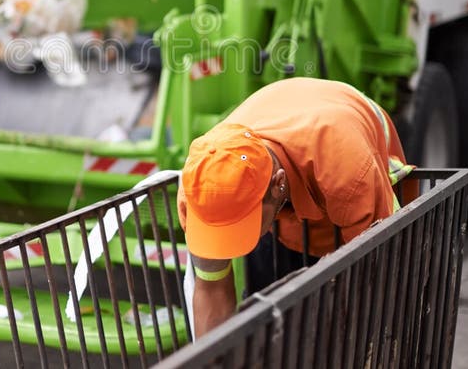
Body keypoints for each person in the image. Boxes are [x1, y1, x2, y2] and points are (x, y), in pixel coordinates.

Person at [177, 77, 415, 337]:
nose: (227, 240)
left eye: (242, 221)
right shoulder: (202, 185)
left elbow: (379, 278)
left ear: (278, 183)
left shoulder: (346, 169)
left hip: (348, 172)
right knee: (274, 323)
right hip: (293, 201)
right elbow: (211, 290)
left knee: (342, 320)